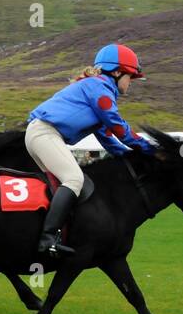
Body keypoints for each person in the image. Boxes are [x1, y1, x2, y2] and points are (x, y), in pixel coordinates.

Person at [25, 43, 156, 256]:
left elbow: (107, 137)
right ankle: (47, 238)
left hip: (41, 134)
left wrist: (131, 157)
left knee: (55, 187)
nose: (131, 82)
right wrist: (150, 150)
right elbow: (118, 127)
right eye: (130, 76)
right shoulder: (100, 88)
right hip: (45, 134)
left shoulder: (96, 88)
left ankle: (45, 234)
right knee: (74, 180)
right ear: (116, 72)